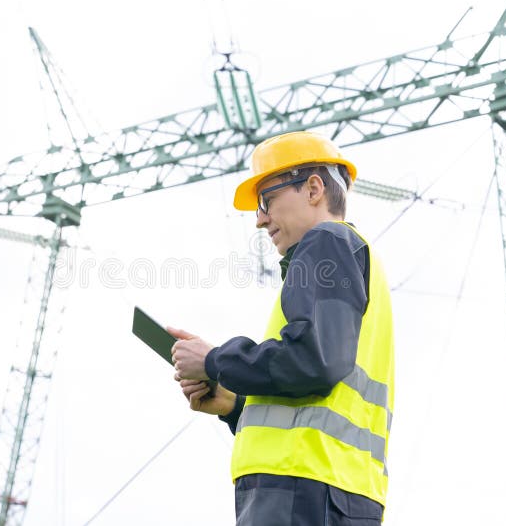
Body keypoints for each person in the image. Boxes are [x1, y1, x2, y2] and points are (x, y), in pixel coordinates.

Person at [169, 130, 395, 526]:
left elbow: (314, 360)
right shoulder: (354, 256)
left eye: (266, 200)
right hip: (333, 492)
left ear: (312, 189)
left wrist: (215, 360)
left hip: (304, 487)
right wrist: (236, 407)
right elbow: (322, 391)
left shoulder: (325, 243)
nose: (259, 219)